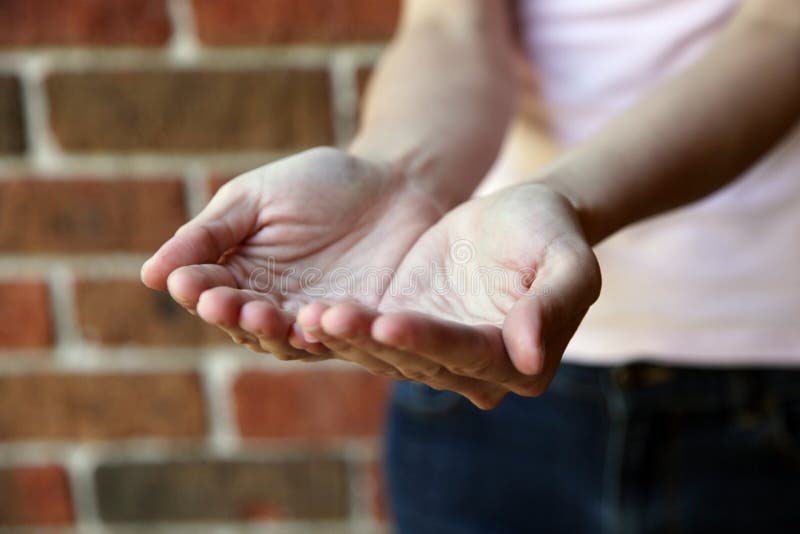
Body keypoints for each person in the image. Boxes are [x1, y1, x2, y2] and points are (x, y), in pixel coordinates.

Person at [141, 0, 800, 532]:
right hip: (469, 350)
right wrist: (397, 174)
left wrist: (562, 199)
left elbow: (782, 30)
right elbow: (451, 22)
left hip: (766, 386)